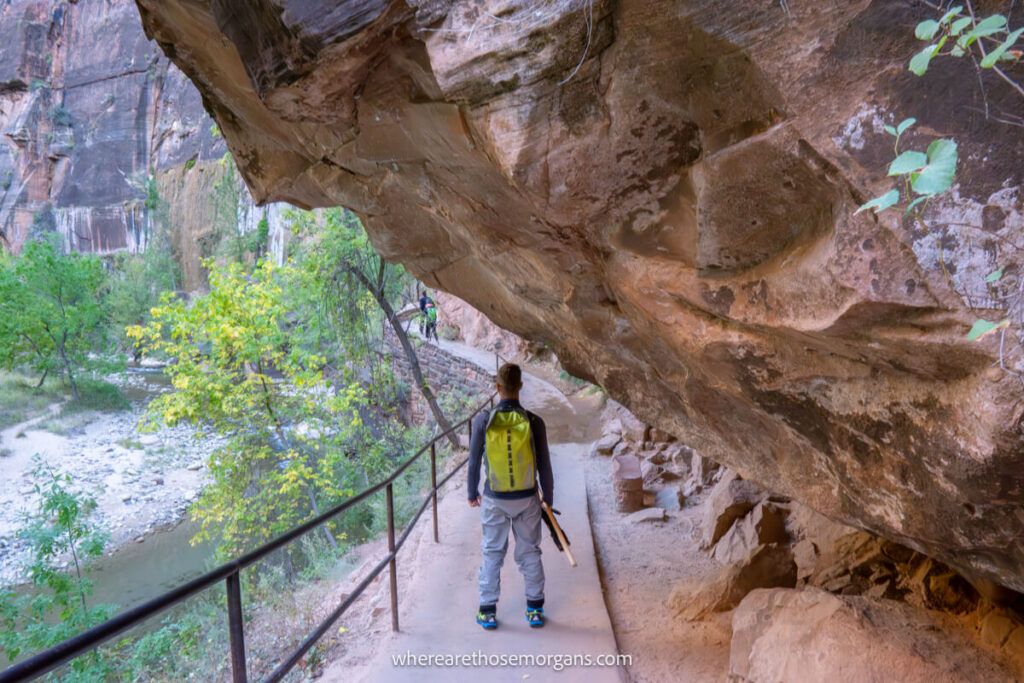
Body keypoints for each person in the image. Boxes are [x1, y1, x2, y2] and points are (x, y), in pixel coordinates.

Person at [467, 363, 553, 630]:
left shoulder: (483, 421)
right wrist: (548, 498)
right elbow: (544, 465)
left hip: (495, 499)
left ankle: (487, 611)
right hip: (527, 499)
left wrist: (472, 492)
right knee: (530, 552)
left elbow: (473, 461)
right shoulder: (534, 422)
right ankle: (535, 609)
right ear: (520, 386)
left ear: (498, 387)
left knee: (492, 553)